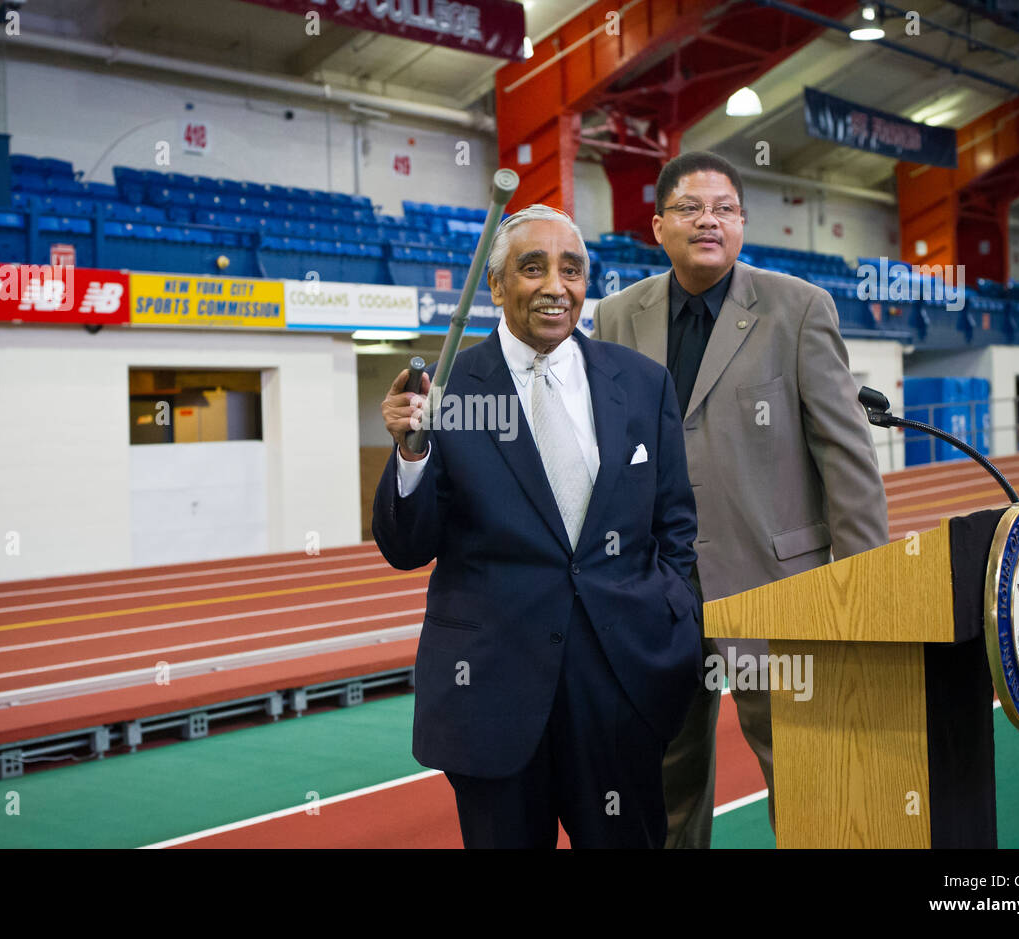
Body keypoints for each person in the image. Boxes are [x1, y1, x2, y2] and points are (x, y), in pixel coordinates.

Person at [372, 204, 703, 849]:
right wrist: (412, 452)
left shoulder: (641, 384)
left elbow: (675, 525)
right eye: (532, 268)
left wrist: (670, 618)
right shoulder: (450, 390)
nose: (556, 285)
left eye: (571, 269)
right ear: (496, 287)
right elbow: (407, 548)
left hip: (621, 690)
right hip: (491, 695)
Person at [592, 151, 889, 847]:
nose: (709, 221)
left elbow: (848, 462)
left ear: (743, 224)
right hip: (658, 603)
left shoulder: (798, 308)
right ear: (659, 224)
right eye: (691, 208)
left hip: (780, 593)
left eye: (725, 208)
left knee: (810, 782)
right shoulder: (614, 318)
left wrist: (863, 595)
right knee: (666, 789)